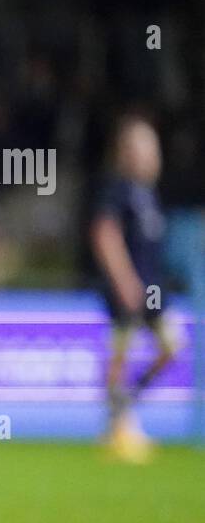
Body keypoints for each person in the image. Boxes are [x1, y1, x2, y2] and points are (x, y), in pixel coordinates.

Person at [89, 113, 182, 462]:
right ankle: (117, 427)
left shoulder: (149, 195)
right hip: (126, 288)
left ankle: (125, 405)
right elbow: (104, 233)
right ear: (124, 152)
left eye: (150, 146)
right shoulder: (117, 189)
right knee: (121, 354)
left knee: (171, 347)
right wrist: (124, 278)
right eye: (139, 147)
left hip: (153, 288)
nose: (146, 154)